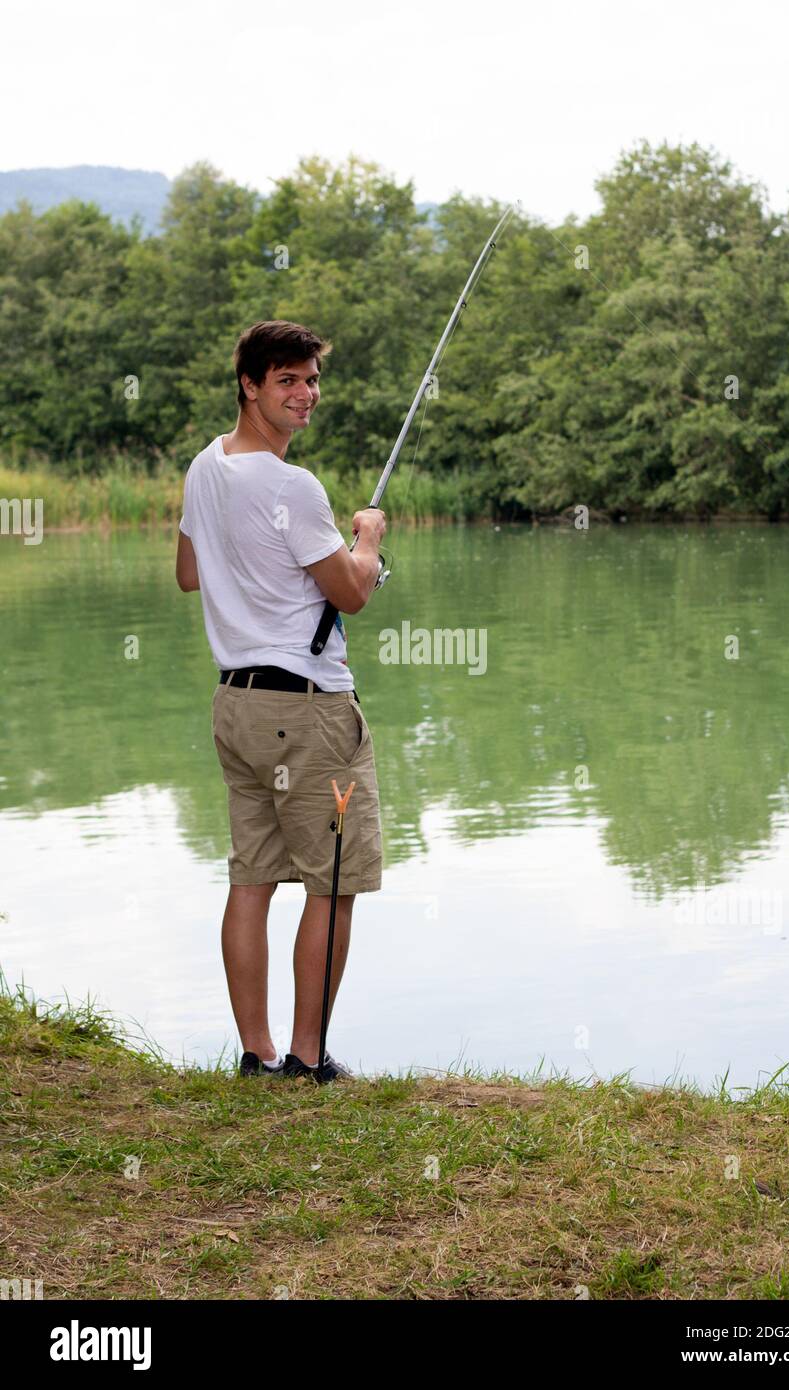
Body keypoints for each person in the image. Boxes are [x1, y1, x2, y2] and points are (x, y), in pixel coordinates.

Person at [175, 320, 386, 1083]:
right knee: (333, 884)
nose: (306, 395)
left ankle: (256, 1054)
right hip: (307, 714)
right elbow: (352, 593)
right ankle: (307, 1058)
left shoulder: (204, 467)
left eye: (311, 379)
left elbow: (190, 573)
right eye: (288, 380)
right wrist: (367, 535)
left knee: (252, 879)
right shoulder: (293, 486)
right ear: (250, 384)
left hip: (235, 705)